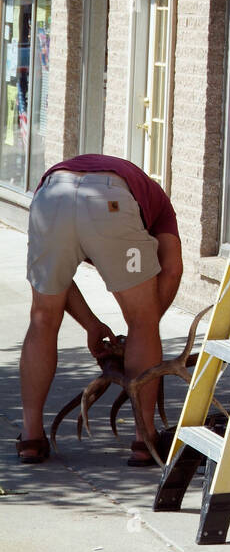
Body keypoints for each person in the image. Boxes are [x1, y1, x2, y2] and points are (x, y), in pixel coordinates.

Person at [17, 154, 183, 468]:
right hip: (111, 199)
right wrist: (140, 332)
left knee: (42, 317)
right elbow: (172, 270)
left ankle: (31, 438)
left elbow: (59, 283)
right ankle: (144, 439)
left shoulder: (129, 184)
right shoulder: (159, 205)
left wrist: (92, 325)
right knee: (143, 322)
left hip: (51, 195)